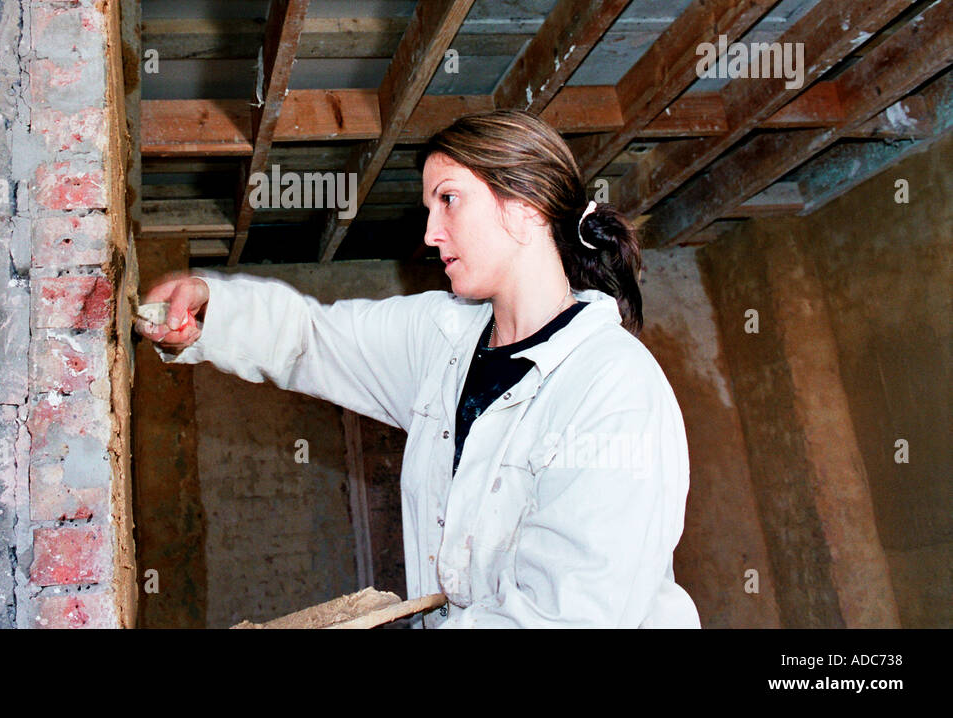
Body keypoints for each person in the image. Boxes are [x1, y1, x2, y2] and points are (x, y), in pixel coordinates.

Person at [135, 108, 701, 628]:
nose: (430, 234)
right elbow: (311, 339)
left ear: (526, 206)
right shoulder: (441, 334)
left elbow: (571, 616)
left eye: (448, 200)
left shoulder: (614, 388)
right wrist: (211, 306)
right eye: (429, 209)